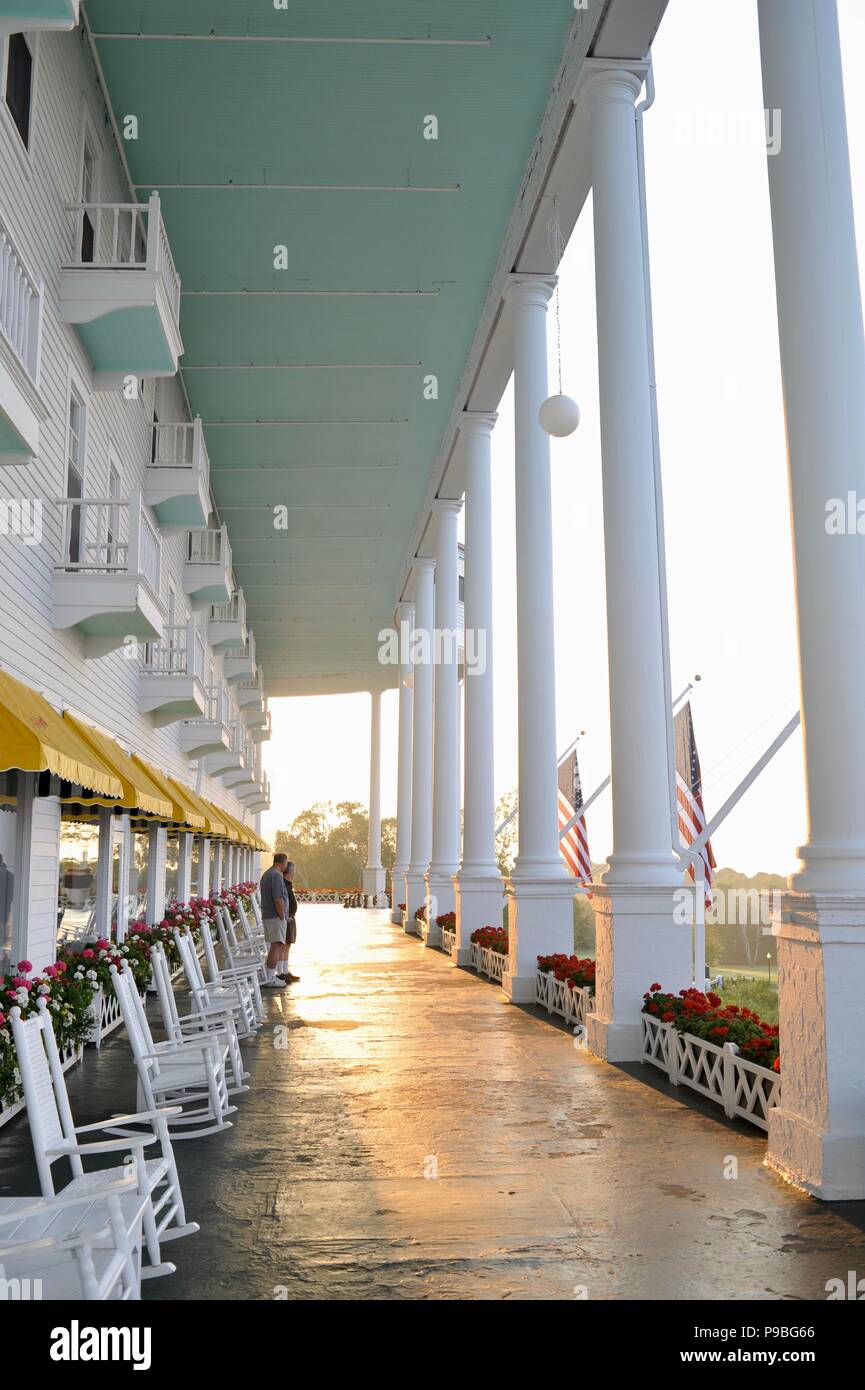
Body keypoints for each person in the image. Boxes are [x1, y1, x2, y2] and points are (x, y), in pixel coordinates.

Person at [259, 852, 290, 989]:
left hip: (268, 915)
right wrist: (282, 915)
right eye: (286, 863)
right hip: (275, 916)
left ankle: (270, 975)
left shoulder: (267, 874)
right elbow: (278, 898)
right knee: (276, 946)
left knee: (275, 946)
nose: (286, 866)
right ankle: (271, 977)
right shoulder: (276, 876)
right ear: (282, 862)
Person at [278, 861, 299, 983]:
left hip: (290, 917)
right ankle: (281, 973)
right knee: (283, 945)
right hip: (286, 918)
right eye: (294, 870)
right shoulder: (283, 884)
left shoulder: (288, 884)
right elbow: (281, 901)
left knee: (288, 945)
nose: (294, 872)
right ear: (290, 871)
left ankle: (286, 971)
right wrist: (285, 915)